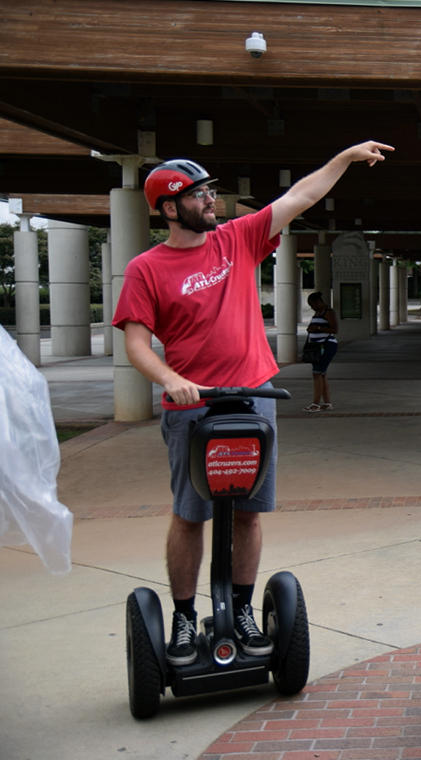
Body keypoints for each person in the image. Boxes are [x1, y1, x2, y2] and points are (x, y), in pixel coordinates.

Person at [113, 140, 393, 666]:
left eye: (212, 193)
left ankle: (241, 607)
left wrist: (345, 159)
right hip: (190, 407)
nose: (212, 202)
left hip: (252, 399)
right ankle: (180, 616)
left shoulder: (237, 239)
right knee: (189, 514)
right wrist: (171, 379)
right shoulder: (146, 269)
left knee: (248, 513)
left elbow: (299, 197)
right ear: (171, 208)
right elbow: (135, 343)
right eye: (200, 196)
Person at [303, 291, 339, 412]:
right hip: (317, 347)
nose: (312, 307)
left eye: (312, 304)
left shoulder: (328, 312)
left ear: (318, 302)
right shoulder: (317, 313)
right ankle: (327, 403)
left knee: (317, 373)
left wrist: (317, 328)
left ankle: (315, 404)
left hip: (326, 345)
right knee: (321, 374)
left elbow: (334, 329)